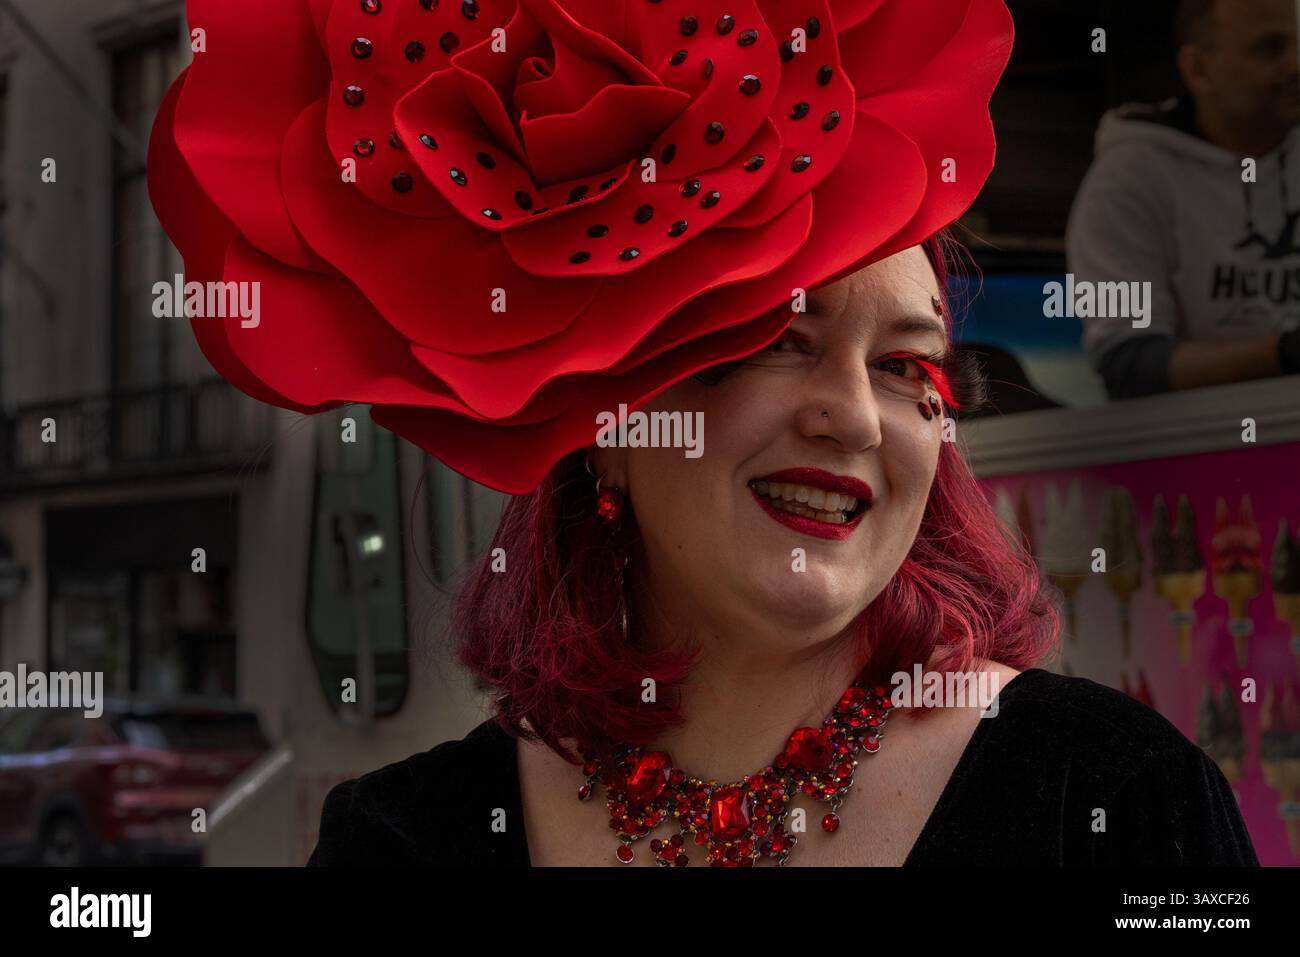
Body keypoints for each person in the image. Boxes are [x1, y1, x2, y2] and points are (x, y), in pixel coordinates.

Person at [146, 0, 1257, 867]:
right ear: (607, 424)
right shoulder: (405, 839)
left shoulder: (1114, 798)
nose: (853, 414)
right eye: (778, 340)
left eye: (908, 367)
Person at [1067, 0, 1300, 399]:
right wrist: (1284, 355)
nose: (1296, 64)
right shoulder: (1127, 180)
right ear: (1198, 69)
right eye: (1270, 48)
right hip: (1205, 450)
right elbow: (1130, 365)